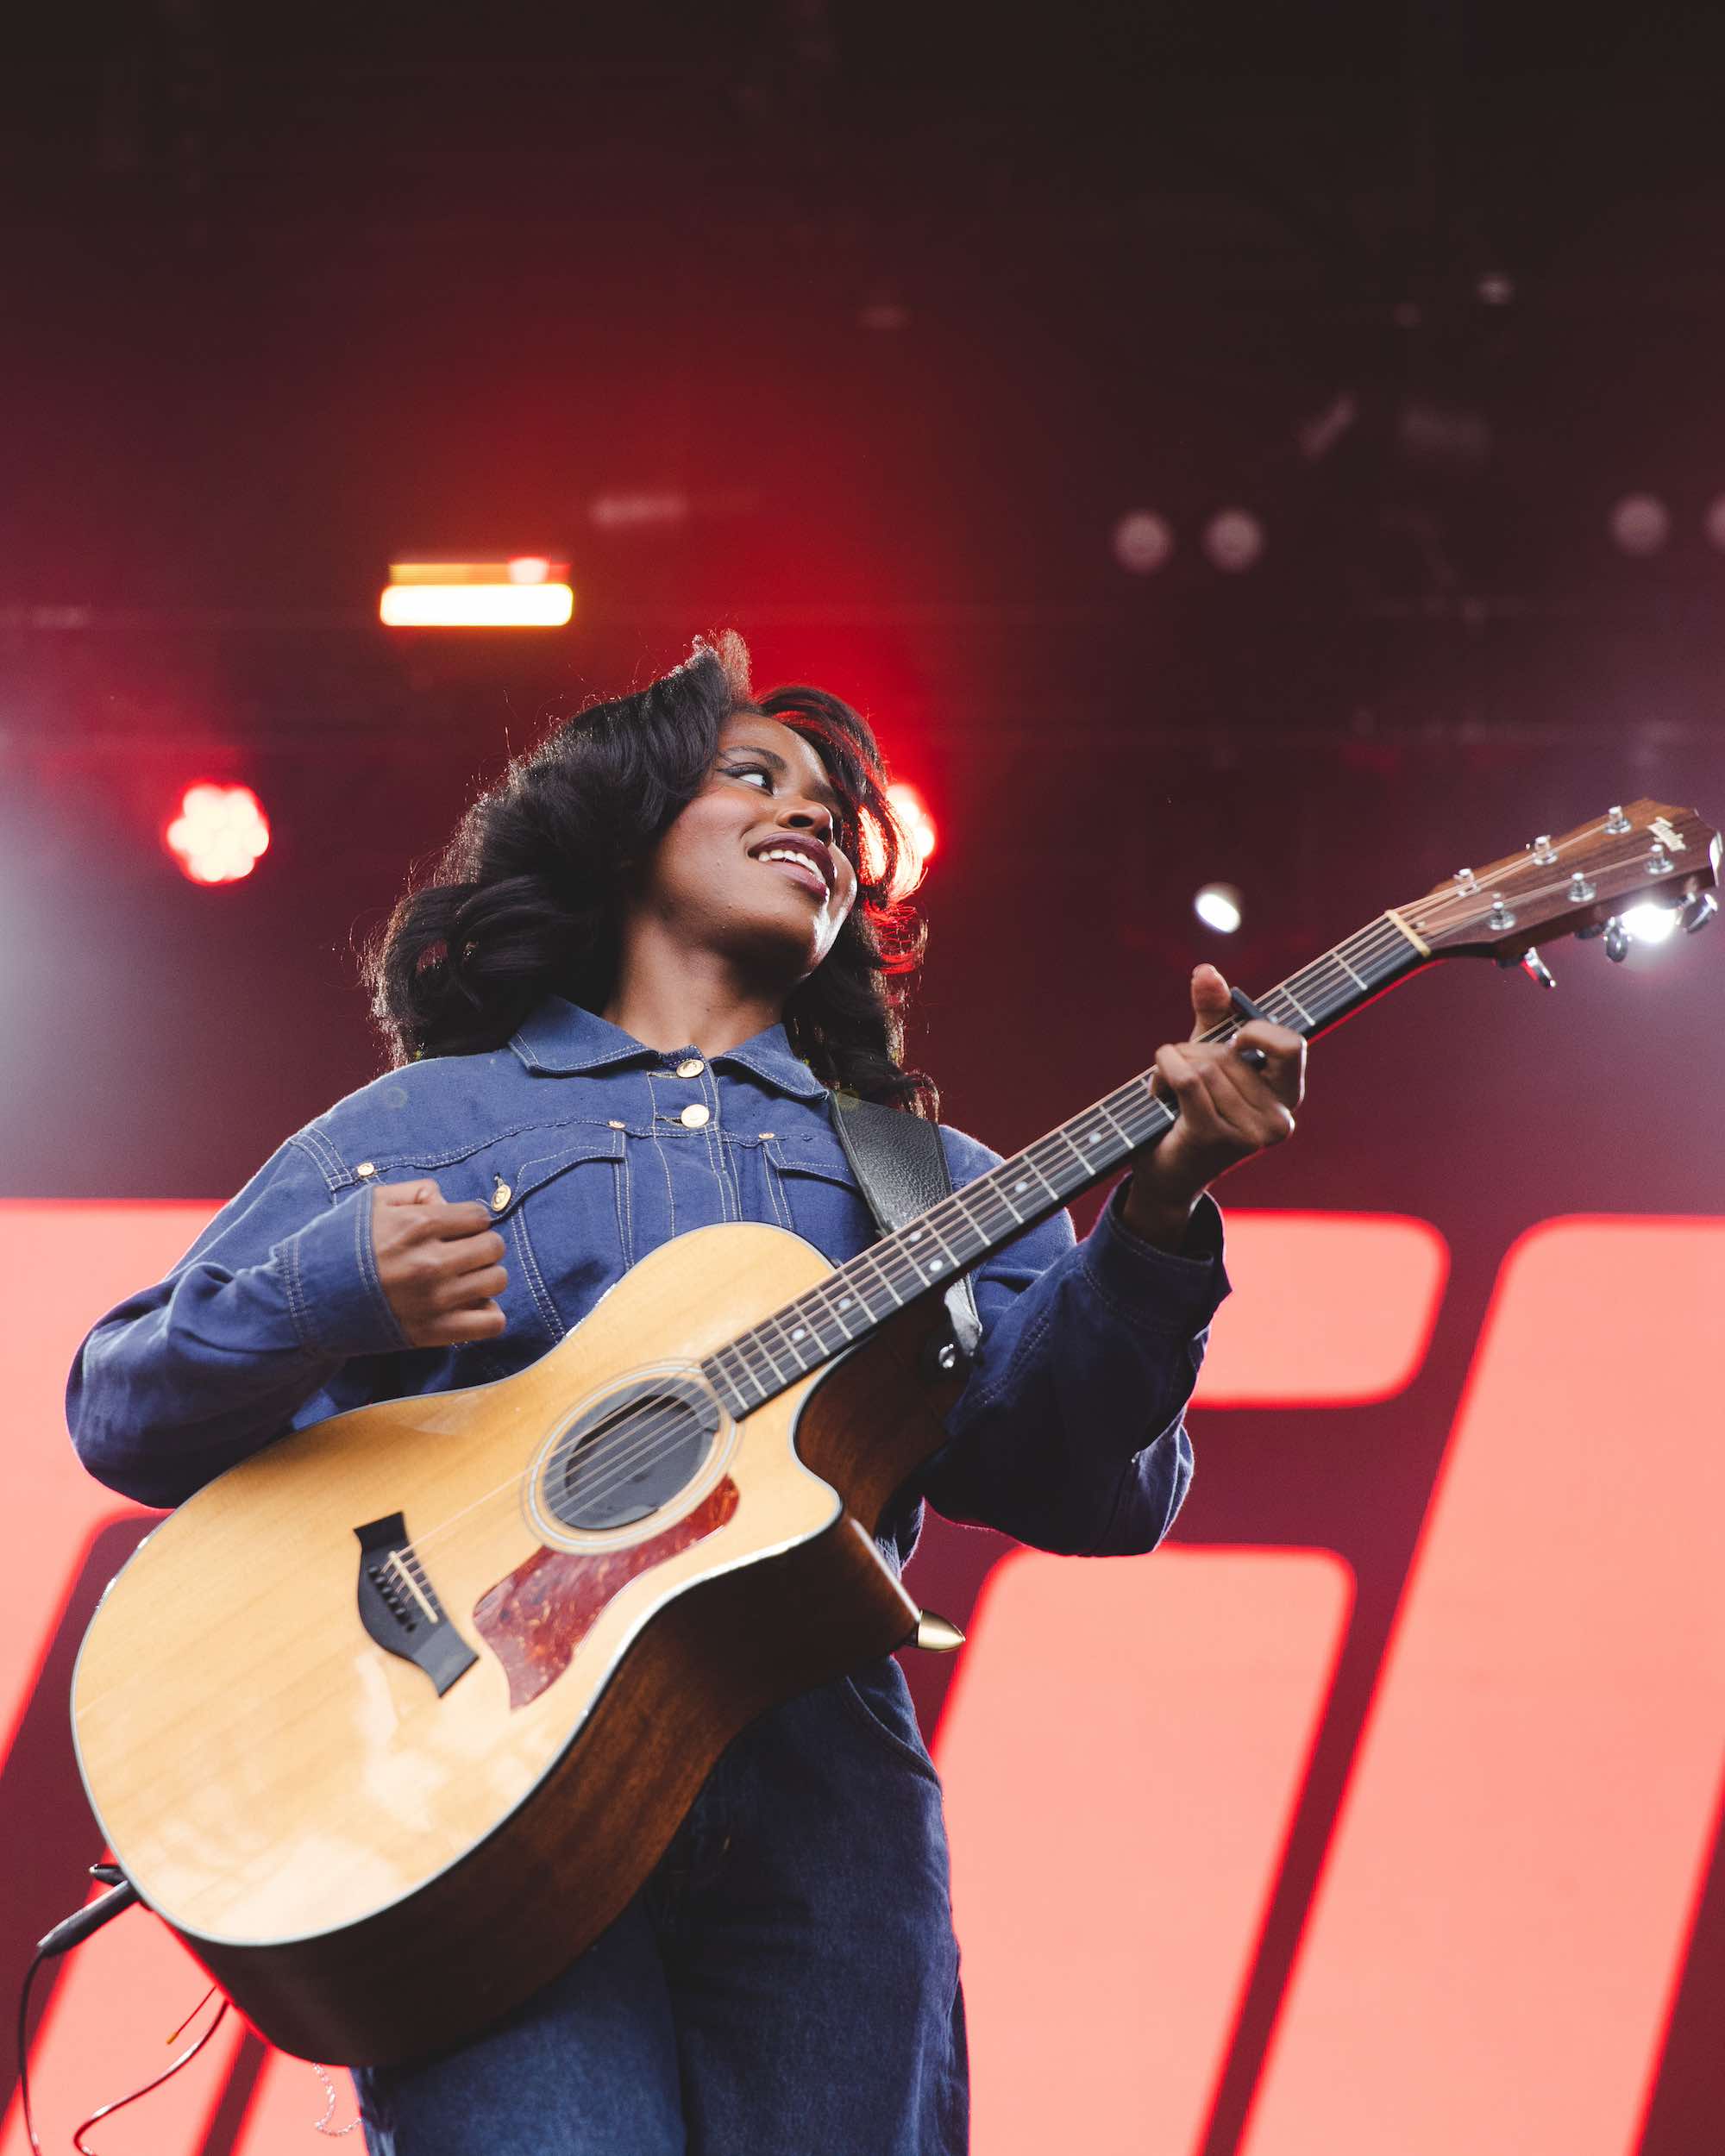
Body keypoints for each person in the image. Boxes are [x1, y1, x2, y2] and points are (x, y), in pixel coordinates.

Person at [66, 633, 1303, 2155]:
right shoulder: (422, 1125)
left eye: (835, 810)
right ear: (624, 824)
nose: (813, 815)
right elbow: (121, 1411)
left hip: (821, 1816)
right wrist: (328, 1291)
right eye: (752, 775)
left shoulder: (922, 1178)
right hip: (474, 1804)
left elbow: (1090, 1487)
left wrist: (1164, 1211)